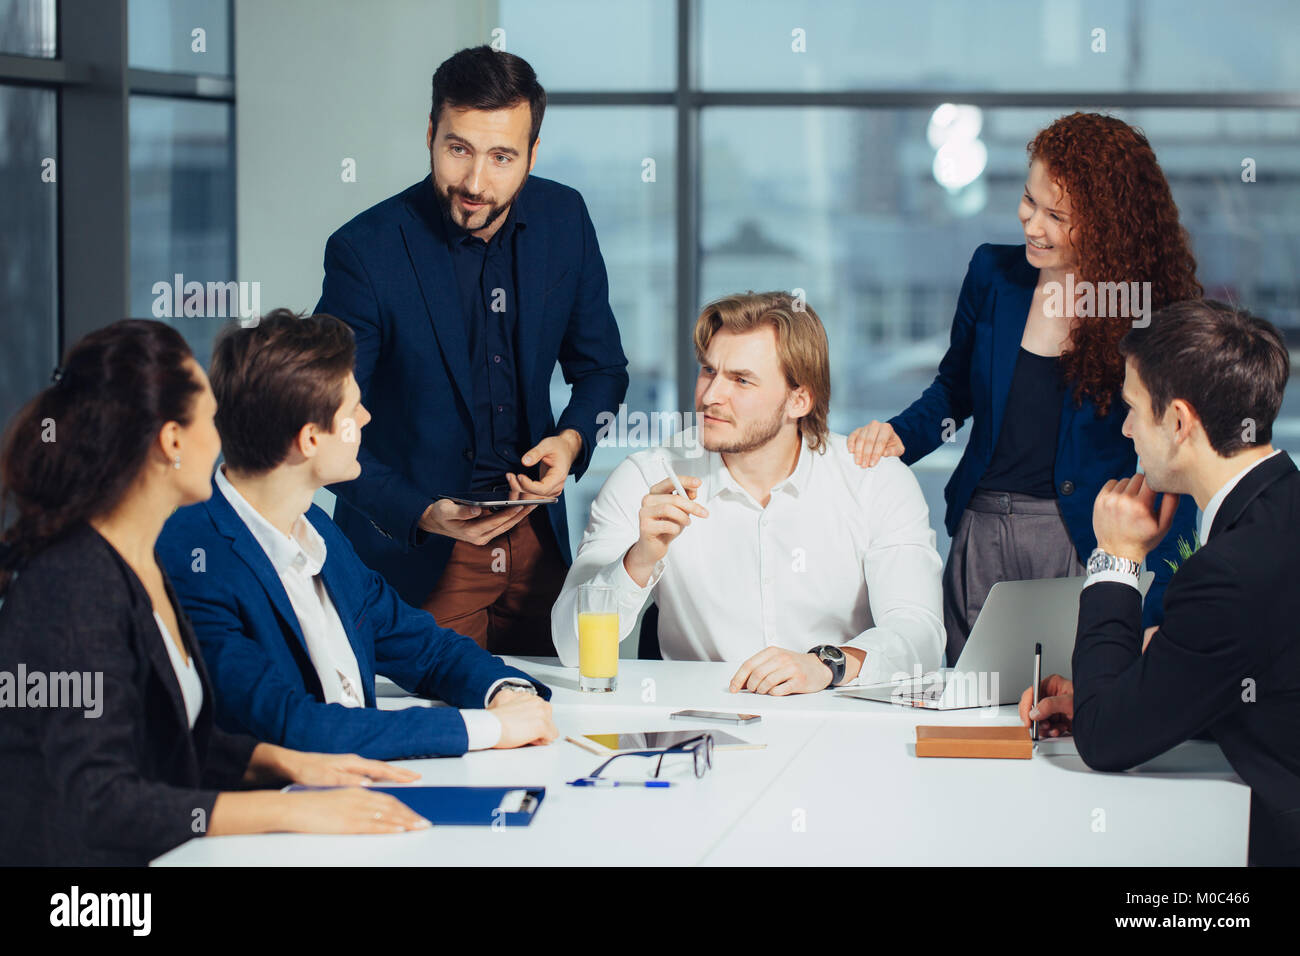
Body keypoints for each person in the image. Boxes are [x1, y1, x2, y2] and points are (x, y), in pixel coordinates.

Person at [0, 321, 431, 866]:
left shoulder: (141, 561)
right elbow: (101, 802)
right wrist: (289, 812)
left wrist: (280, 763)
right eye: (210, 419)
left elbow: (167, 743)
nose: (225, 436)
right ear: (172, 442)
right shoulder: (73, 587)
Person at [847, 112, 1199, 665]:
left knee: (1076, 707)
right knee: (973, 705)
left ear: (1107, 223)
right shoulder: (993, 274)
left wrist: (1165, 588)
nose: (1033, 224)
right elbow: (953, 392)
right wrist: (897, 437)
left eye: (1057, 215)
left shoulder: (1143, 307)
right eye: (1029, 201)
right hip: (982, 528)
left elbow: (1175, 449)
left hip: (1087, 536)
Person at [315, 45, 628, 656]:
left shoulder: (566, 218)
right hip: (416, 556)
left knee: (552, 722)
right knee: (438, 741)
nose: (476, 182)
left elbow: (602, 371)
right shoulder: (364, 251)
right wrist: (422, 512)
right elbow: (326, 421)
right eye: (458, 149)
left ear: (533, 153)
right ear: (431, 133)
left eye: (502, 157)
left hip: (538, 548)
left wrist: (572, 442)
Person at [157, 311, 559, 761]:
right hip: (287, 816)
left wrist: (503, 691)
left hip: (363, 796)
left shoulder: (319, 530)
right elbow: (291, 727)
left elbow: (421, 645)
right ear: (310, 439)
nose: (366, 418)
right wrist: (489, 727)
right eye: (353, 409)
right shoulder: (195, 556)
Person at [1018, 299, 1299, 867]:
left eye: (1133, 409)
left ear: (1177, 421)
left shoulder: (1230, 571)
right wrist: (1137, 692)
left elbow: (1103, 742)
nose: (1125, 429)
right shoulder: (1277, 511)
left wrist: (1117, 557)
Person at [552, 291, 944, 695]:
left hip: (836, 717)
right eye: (708, 371)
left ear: (799, 399)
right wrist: (638, 559)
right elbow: (570, 647)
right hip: (701, 727)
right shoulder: (646, 477)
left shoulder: (874, 480)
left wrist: (827, 664)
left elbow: (920, 633)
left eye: (741, 380)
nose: (710, 396)